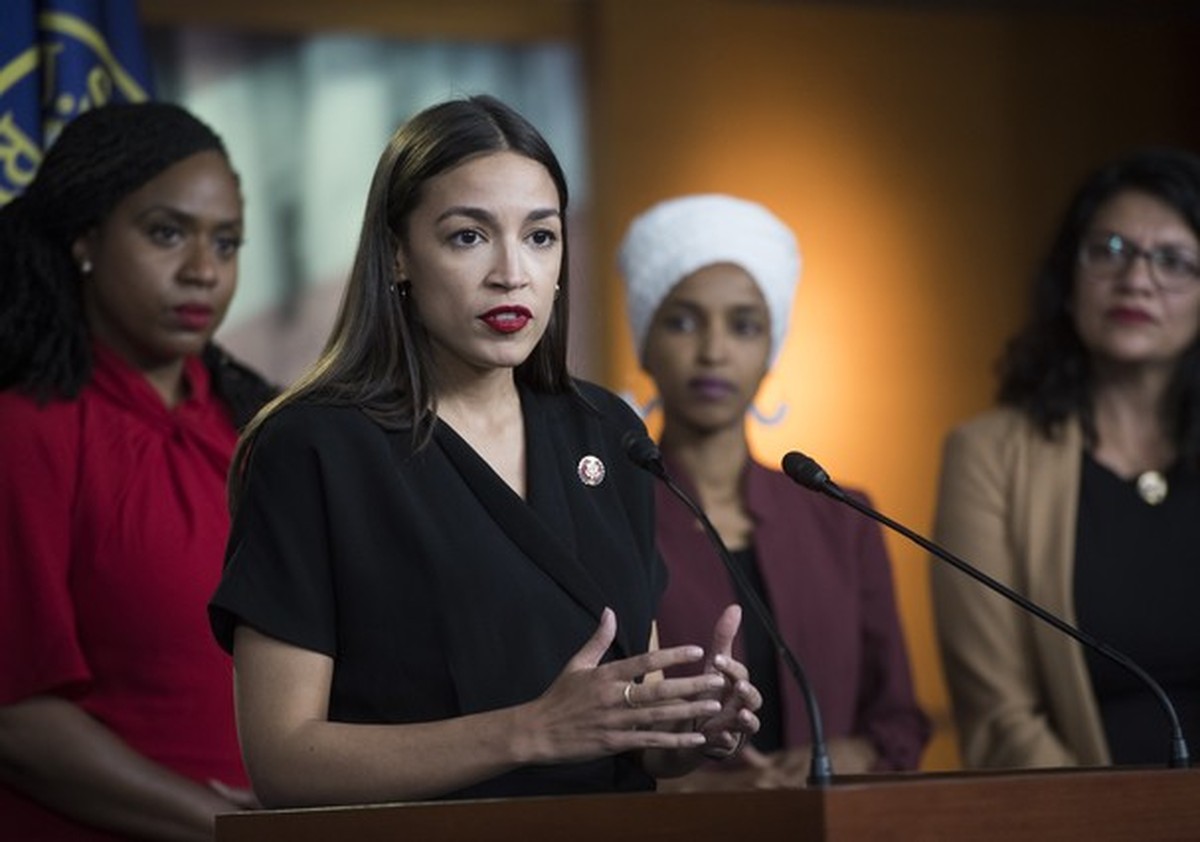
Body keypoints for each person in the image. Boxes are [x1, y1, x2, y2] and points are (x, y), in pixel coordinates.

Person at [207, 95, 762, 808]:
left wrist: (683, 728)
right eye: (468, 237)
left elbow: (624, 731)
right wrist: (529, 731)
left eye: (540, 236)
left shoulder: (608, 431)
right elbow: (283, 761)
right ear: (399, 254)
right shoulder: (315, 446)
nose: (512, 272)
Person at [0, 102, 275, 840]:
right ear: (85, 238)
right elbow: (15, 719)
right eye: (166, 233)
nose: (203, 271)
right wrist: (223, 827)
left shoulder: (261, 425)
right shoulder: (26, 431)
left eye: (227, 242)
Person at [617, 193, 930, 790]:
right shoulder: (610, 515)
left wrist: (839, 757)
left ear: (771, 347)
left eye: (743, 324)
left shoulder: (842, 516)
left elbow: (897, 721)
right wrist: (707, 787)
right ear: (644, 341)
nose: (714, 350)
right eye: (683, 321)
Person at [931, 147, 1200, 769]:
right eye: (1109, 251)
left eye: (1173, 261)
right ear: (1068, 278)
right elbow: (1001, 716)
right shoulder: (989, 456)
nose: (1137, 278)